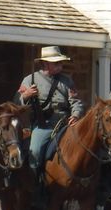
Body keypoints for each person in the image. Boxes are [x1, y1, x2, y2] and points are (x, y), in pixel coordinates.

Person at [16, 46, 84, 176]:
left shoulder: (67, 81)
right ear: (45, 64)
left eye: (60, 62)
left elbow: (76, 102)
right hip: (44, 125)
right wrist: (26, 95)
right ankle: (35, 181)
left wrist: (76, 115)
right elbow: (16, 104)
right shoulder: (29, 80)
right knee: (34, 151)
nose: (60, 65)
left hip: (66, 123)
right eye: (56, 62)